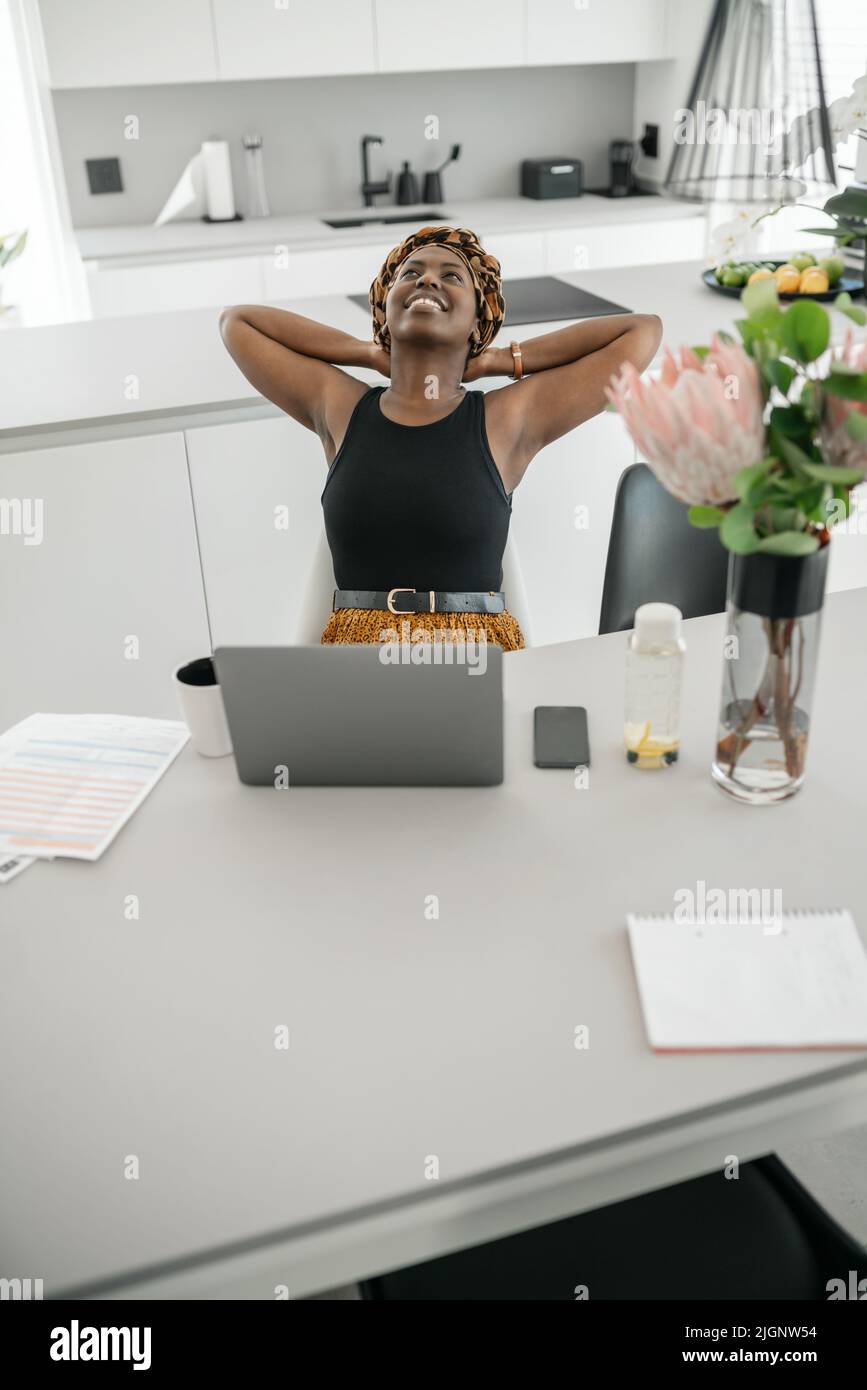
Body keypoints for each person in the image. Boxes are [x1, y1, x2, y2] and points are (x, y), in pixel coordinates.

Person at [220, 225, 662, 649]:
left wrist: (497, 361)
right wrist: (370, 352)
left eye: (450, 276)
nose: (426, 279)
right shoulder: (340, 406)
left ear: (477, 320)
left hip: (471, 660)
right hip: (357, 665)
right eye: (409, 274)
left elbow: (640, 332)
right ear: (386, 307)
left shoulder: (507, 418)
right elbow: (237, 323)